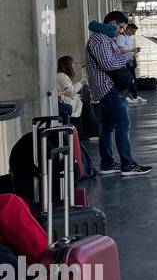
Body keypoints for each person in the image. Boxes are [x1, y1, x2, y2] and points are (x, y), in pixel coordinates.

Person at [86, 12, 151, 176]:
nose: (121, 31)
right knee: (123, 124)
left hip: (107, 87)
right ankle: (127, 165)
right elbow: (108, 64)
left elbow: (111, 58)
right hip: (108, 87)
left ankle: (107, 164)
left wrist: (122, 53)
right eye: (121, 27)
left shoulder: (104, 38)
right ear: (113, 22)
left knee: (107, 126)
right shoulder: (99, 38)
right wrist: (128, 54)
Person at [115, 23, 144, 104]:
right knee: (128, 79)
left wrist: (134, 51)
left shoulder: (126, 37)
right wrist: (131, 50)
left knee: (132, 79)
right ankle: (127, 97)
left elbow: (126, 49)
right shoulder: (121, 37)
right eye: (133, 32)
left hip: (129, 59)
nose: (133, 34)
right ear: (129, 29)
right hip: (124, 61)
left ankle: (134, 96)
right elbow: (120, 50)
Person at [56, 55, 83, 128]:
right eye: (72, 64)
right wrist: (81, 82)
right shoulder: (61, 76)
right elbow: (71, 91)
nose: (73, 66)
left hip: (70, 102)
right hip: (67, 102)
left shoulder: (63, 76)